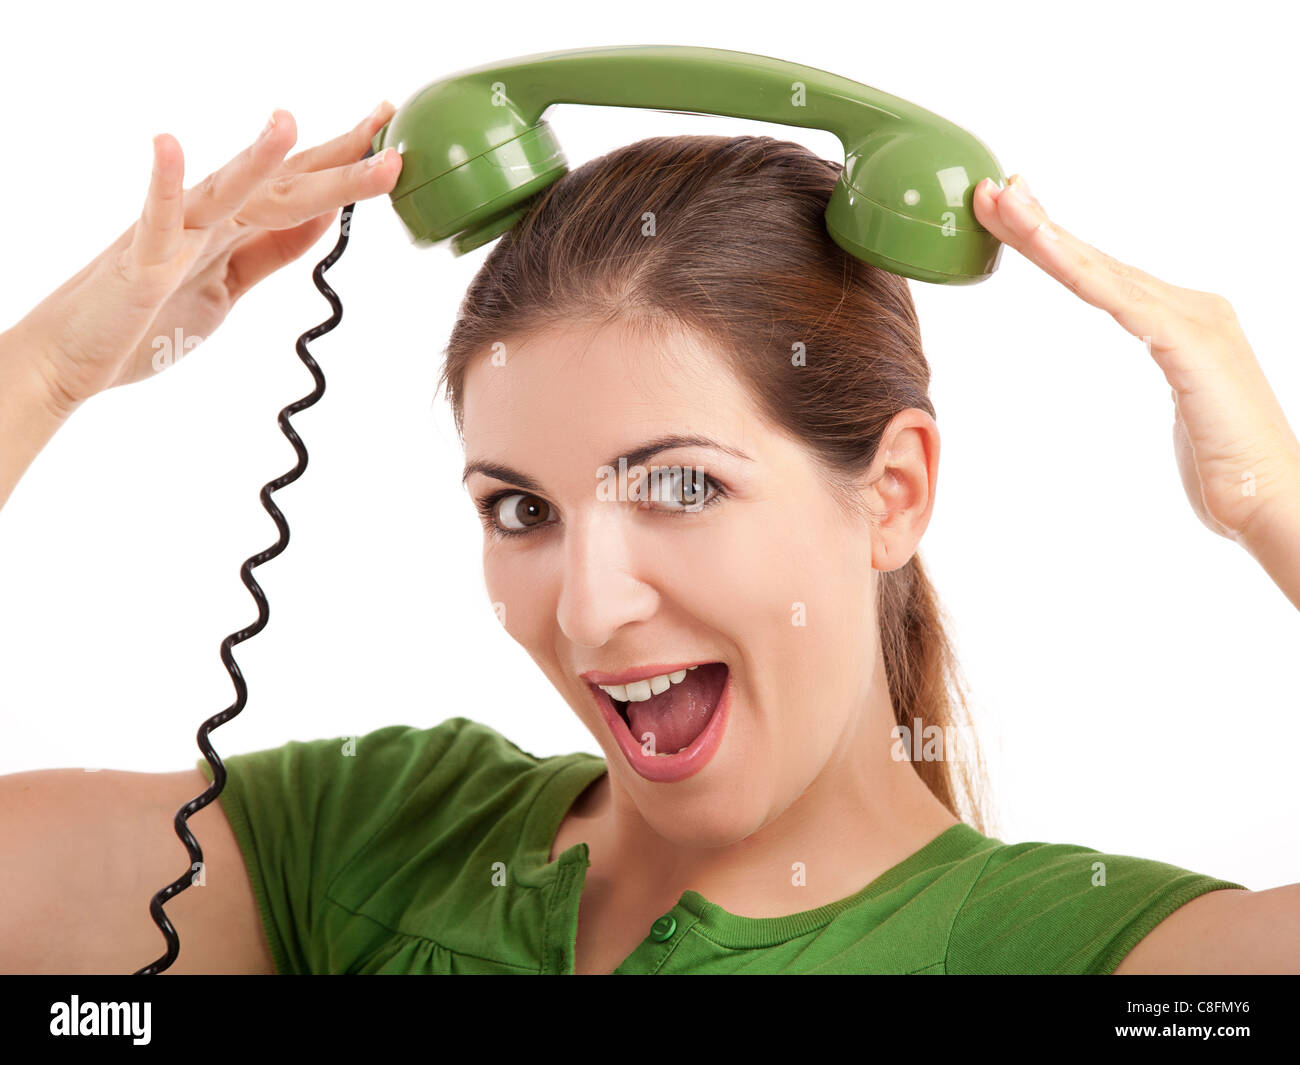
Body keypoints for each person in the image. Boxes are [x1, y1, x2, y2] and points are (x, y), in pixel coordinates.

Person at [1, 106, 1297, 976]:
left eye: (678, 487)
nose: (588, 607)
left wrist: (1272, 502)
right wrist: (46, 372)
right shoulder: (375, 836)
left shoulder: (1079, 951)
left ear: (892, 491)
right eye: (522, 510)